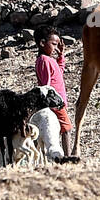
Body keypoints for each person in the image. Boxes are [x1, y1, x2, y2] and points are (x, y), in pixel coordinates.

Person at [34, 25, 73, 156]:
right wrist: (50, 103)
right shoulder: (44, 60)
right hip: (55, 103)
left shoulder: (48, 60)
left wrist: (61, 56)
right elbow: (46, 86)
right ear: (42, 43)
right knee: (66, 128)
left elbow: (59, 72)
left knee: (58, 129)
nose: (56, 48)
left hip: (57, 101)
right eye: (54, 44)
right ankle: (68, 157)